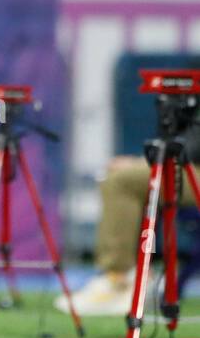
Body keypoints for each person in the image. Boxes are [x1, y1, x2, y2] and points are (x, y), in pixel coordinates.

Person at [57, 119, 200, 315]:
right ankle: (130, 276)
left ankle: (120, 278)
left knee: (122, 182)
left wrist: (138, 163)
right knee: (122, 175)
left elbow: (192, 146)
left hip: (193, 165)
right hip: (188, 163)